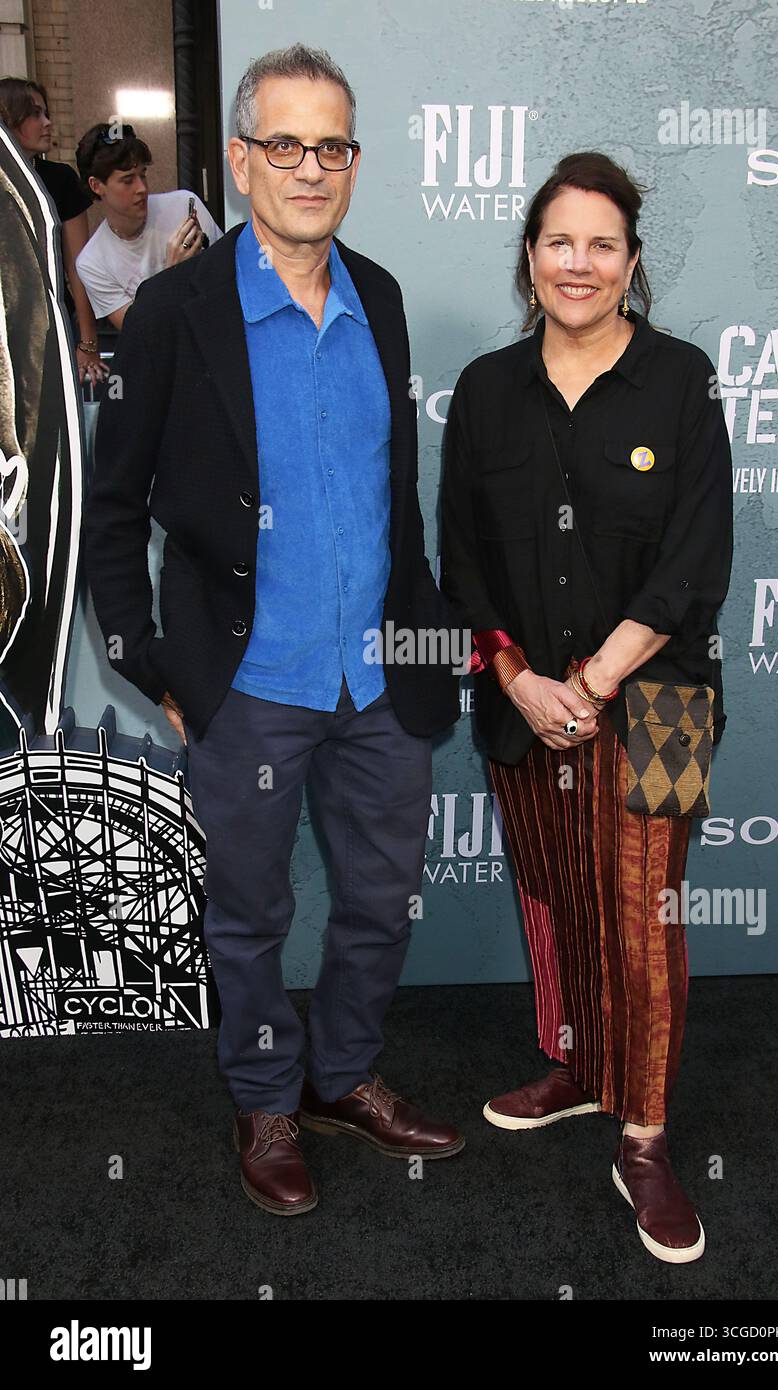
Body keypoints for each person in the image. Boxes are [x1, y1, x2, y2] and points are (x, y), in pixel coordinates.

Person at [84, 44, 463, 1218]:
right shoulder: (174, 314)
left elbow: (395, 496)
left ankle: (341, 1074)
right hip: (247, 676)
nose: (311, 167)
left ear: (355, 162)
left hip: (380, 674)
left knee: (378, 895)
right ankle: (262, 1096)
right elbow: (115, 505)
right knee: (250, 910)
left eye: (332, 145)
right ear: (242, 161)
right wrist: (150, 658)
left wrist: (431, 639)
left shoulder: (384, 297)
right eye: (286, 144)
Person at [440, 151, 733, 1263]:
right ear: (529, 256)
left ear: (631, 261)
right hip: (524, 700)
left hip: (655, 706)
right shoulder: (484, 391)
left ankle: (646, 1136)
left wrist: (596, 681)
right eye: (559, 240)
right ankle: (573, 1063)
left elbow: (697, 565)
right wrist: (517, 675)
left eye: (602, 243)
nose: (579, 262)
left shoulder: (682, 379)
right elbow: (461, 562)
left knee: (645, 921)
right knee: (557, 897)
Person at [0, 76, 106, 383]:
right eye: (34, 114)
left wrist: (88, 343)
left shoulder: (59, 179)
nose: (47, 123)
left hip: (53, 321)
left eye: (47, 113)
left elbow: (78, 266)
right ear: (8, 118)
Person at [74, 121, 222, 330]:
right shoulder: (93, 262)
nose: (142, 188)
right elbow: (139, 335)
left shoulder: (184, 205)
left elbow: (228, 277)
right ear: (97, 186)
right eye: (127, 180)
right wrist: (171, 275)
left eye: (142, 175)